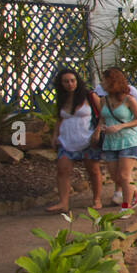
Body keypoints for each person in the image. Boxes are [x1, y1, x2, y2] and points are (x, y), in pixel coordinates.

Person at [46, 68, 106, 213]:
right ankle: (63, 202)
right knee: (62, 169)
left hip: (87, 139)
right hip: (67, 140)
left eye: (72, 80)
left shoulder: (89, 96)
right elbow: (59, 118)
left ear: (77, 81)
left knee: (93, 170)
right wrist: (55, 135)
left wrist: (97, 132)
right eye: (66, 81)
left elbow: (103, 116)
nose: (70, 84)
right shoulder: (62, 98)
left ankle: (97, 199)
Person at [98, 68, 137, 210]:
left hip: (128, 140)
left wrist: (120, 126)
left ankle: (126, 207)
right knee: (116, 177)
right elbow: (102, 118)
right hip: (111, 141)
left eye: (104, 80)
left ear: (112, 82)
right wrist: (100, 129)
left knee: (124, 175)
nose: (102, 83)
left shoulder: (129, 99)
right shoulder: (103, 100)